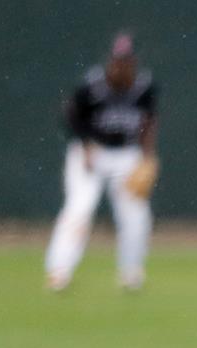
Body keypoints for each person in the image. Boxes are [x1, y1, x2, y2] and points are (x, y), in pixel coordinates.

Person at [46, 32, 158, 293]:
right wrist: (85, 145)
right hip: (92, 152)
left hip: (126, 154)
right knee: (79, 209)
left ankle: (131, 272)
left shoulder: (143, 88)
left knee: (136, 215)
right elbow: (70, 115)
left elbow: (150, 121)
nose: (121, 65)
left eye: (126, 61)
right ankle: (58, 270)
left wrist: (148, 155)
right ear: (111, 61)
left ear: (134, 62)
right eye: (118, 60)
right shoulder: (92, 86)